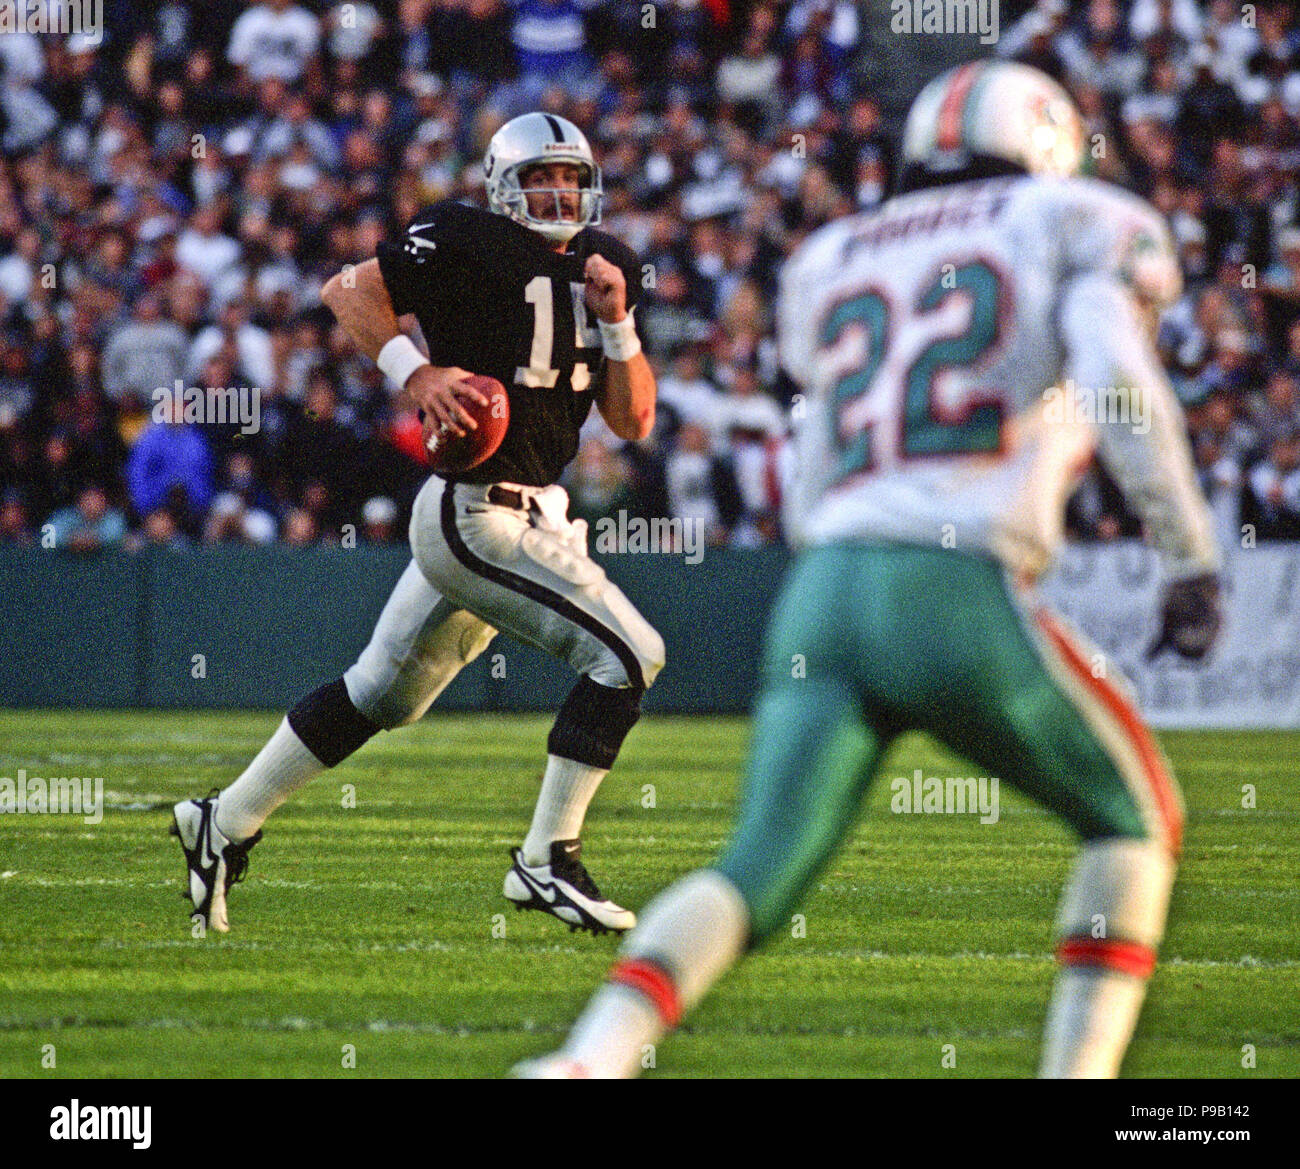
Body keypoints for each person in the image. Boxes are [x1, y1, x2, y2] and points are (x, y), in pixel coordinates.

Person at [518, 61, 1223, 1079]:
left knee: (754, 867)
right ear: (1047, 139)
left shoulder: (836, 253)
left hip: (824, 589)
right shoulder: (1070, 217)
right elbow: (1117, 374)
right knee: (1135, 816)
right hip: (951, 581)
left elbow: (812, 459)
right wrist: (1189, 550)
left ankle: (586, 1059)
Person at [172, 113, 664, 937]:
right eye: (542, 176)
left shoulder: (605, 262)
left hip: (541, 511)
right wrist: (420, 370)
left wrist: (617, 322)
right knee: (629, 654)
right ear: (506, 184)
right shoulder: (466, 235)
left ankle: (222, 821)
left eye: (571, 178)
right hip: (477, 509)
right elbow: (349, 290)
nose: (559, 192)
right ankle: (546, 858)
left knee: (381, 695)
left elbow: (634, 419)